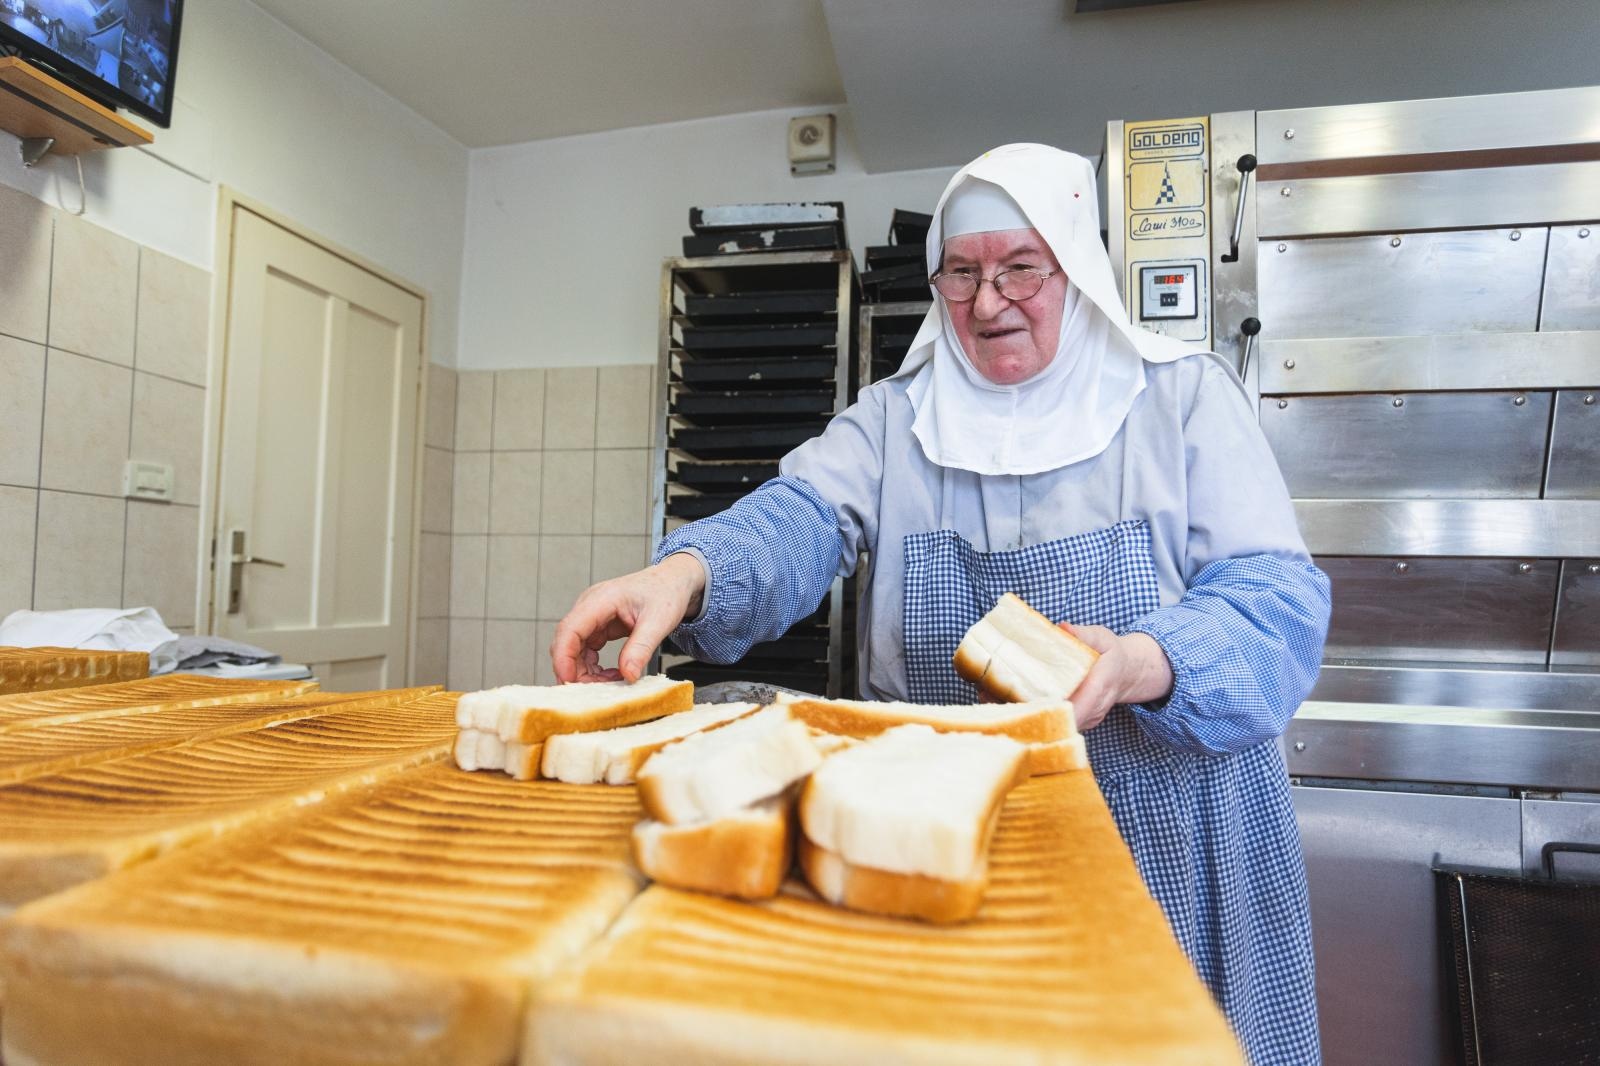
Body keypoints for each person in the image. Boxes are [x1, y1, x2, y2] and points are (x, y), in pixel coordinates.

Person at [553, 143, 1329, 1065]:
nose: (987, 301)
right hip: (946, 844)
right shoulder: (898, 417)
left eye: (1019, 270)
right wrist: (683, 575)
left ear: (1075, 270)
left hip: (1162, 852)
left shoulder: (1181, 400)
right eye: (961, 274)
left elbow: (1274, 603)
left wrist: (1141, 661)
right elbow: (798, 519)